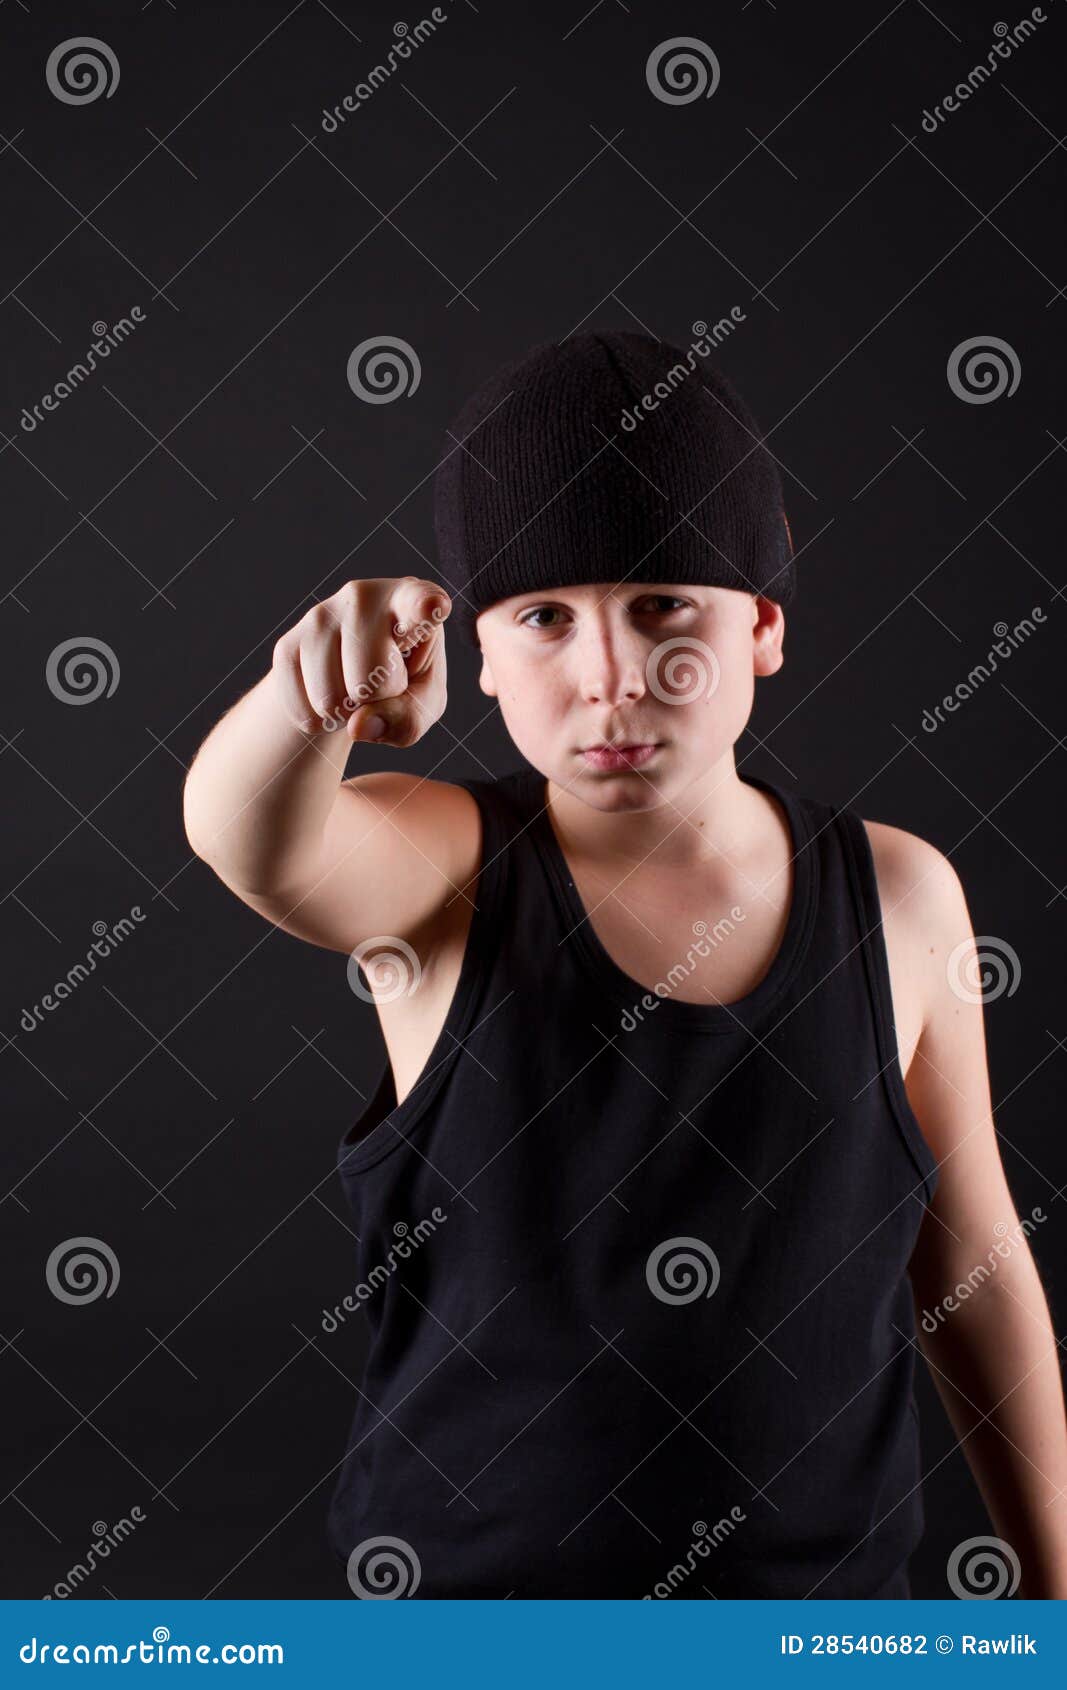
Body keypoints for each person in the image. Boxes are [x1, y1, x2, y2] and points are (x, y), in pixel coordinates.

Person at [182, 331, 1067, 1600]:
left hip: (817, 1625)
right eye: (543, 617)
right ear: (478, 650)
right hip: (476, 1629)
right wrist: (305, 702)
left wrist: (1048, 1577)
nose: (611, 678)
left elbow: (969, 1252)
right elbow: (251, 843)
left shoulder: (898, 895)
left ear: (760, 622)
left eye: (663, 604)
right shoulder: (443, 873)